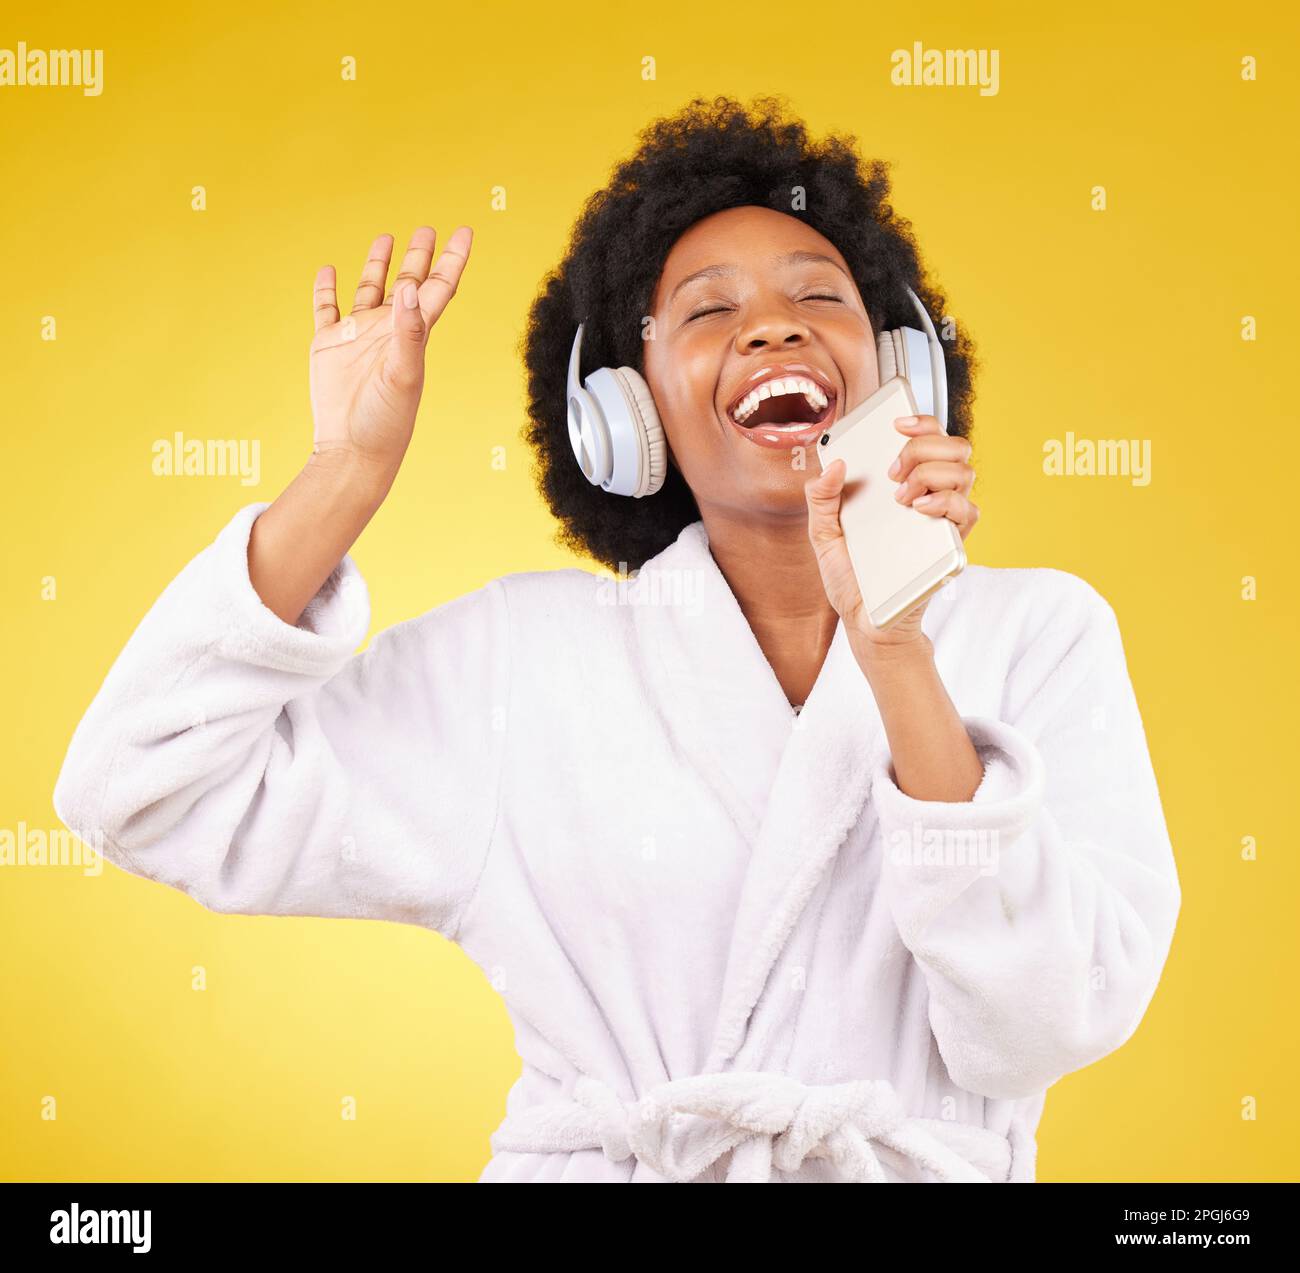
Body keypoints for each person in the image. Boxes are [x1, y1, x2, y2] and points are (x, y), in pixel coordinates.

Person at [52, 96, 1180, 1183]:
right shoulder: (524, 660)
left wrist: (896, 652)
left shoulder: (1041, 633)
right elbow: (139, 788)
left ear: (900, 365)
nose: (772, 326)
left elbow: (1040, 1023)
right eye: (706, 311)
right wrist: (342, 475)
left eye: (816, 298)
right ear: (624, 416)